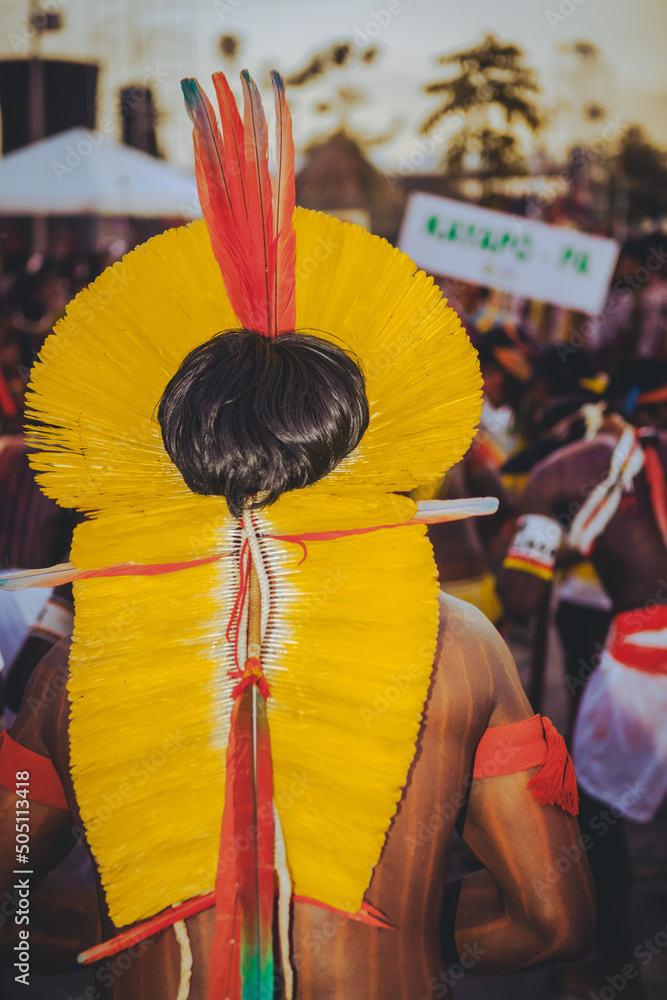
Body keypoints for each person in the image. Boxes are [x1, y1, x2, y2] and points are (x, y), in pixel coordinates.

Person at [0, 71, 593, 999]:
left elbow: (11, 899)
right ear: (352, 439)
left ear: (174, 447)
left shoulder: (75, 667)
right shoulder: (461, 647)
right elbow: (550, 921)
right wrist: (405, 948)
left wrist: (111, 934)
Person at [497, 366, 667, 999]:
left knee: (594, 810)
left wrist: (533, 528)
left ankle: (615, 967)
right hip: (638, 663)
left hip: (641, 670)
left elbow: (518, 597)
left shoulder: (565, 471)